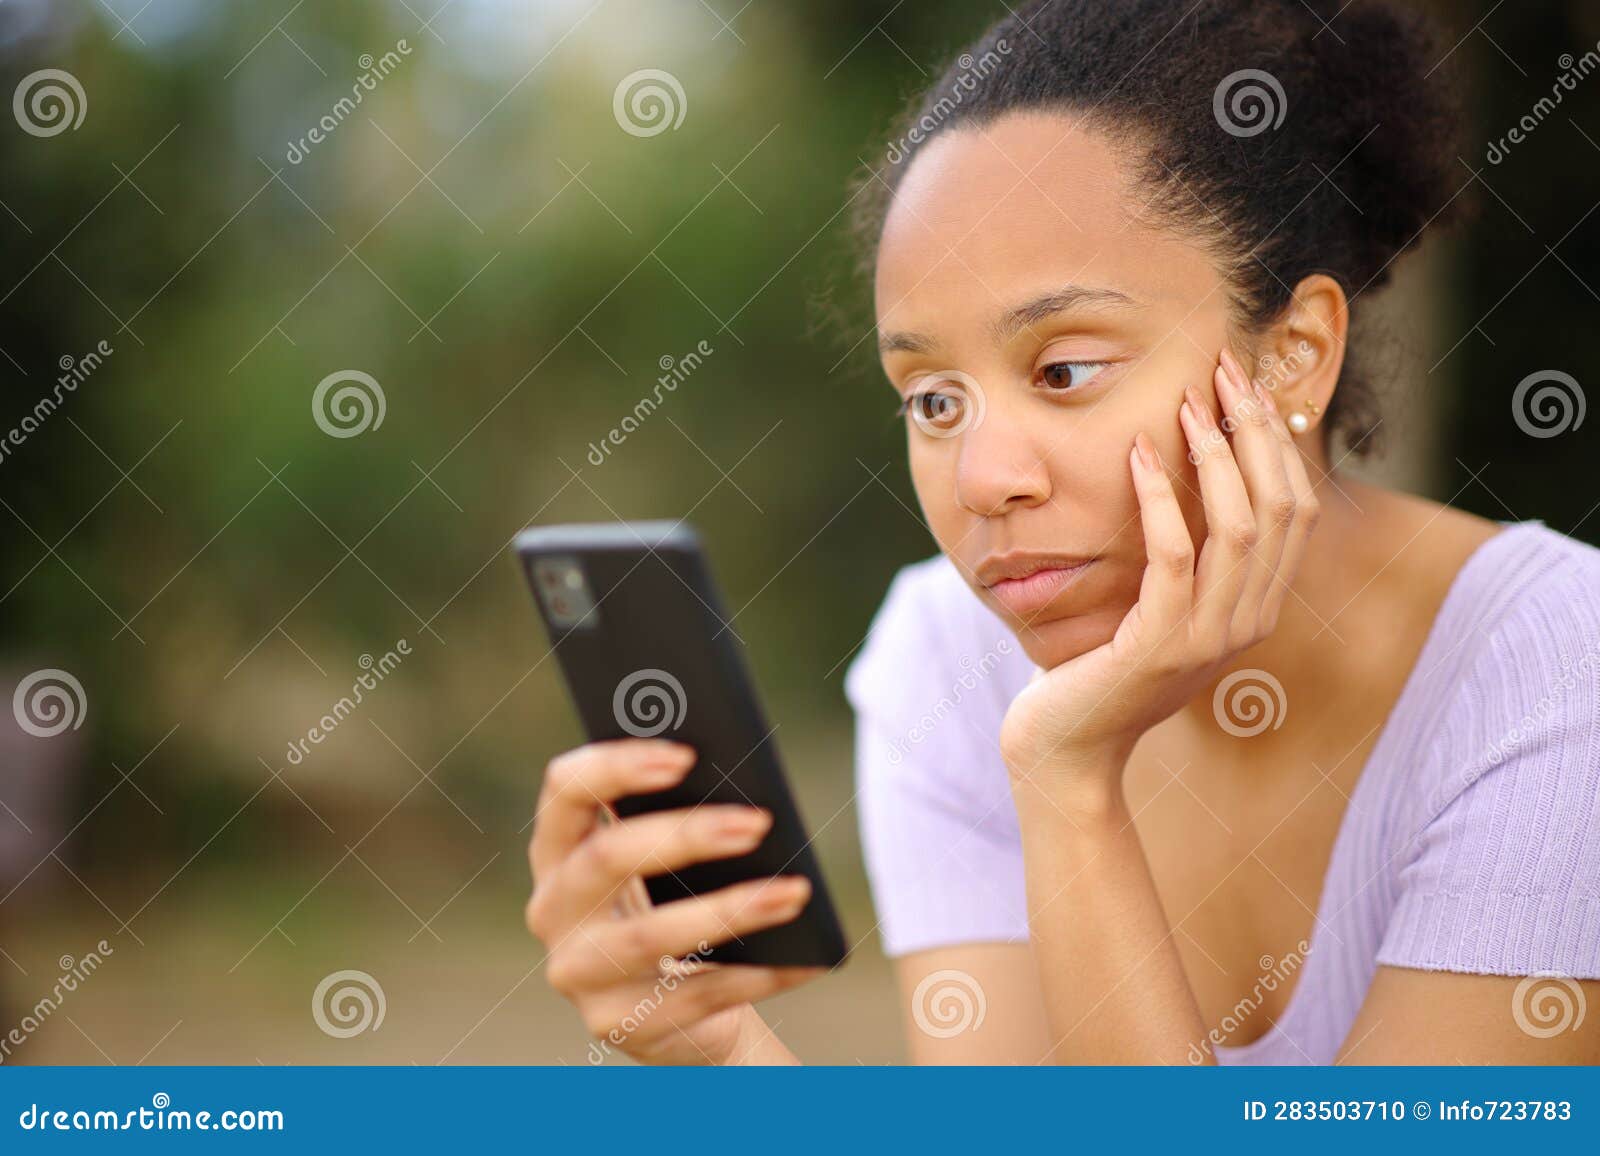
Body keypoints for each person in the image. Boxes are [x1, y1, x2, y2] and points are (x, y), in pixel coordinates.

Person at [522, 0, 1600, 1064]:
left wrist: (1071, 792)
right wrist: (717, 1057)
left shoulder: (1557, 666)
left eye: (1064, 370)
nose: (984, 479)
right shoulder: (947, 658)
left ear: (1295, 354)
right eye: (933, 399)